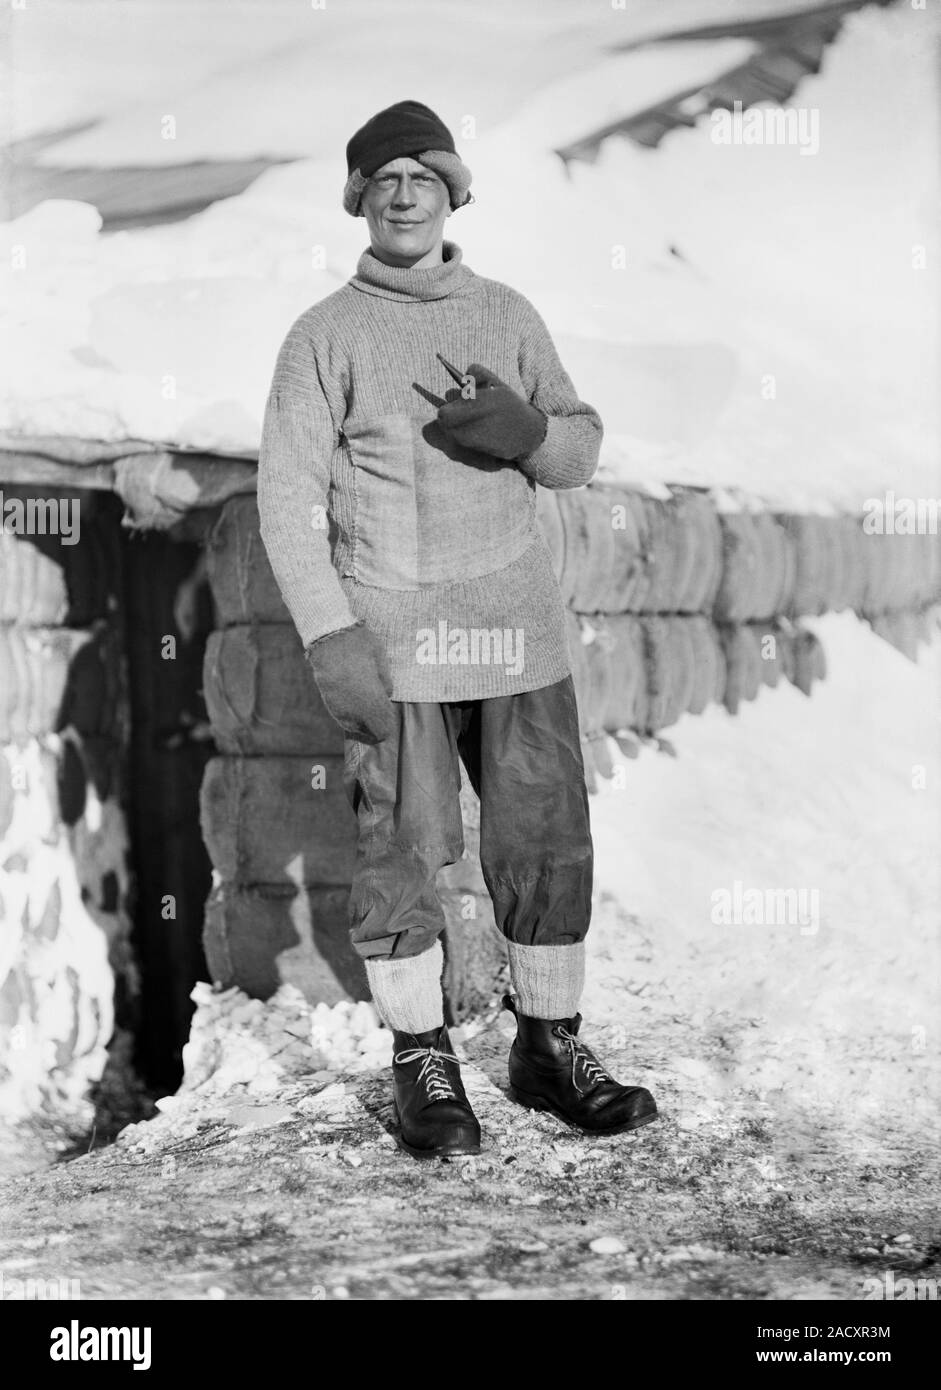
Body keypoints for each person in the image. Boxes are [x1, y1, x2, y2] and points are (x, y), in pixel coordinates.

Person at [257, 99, 658, 1158]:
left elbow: (576, 450)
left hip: (515, 632)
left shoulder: (509, 314)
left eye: (420, 178)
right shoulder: (322, 337)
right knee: (401, 848)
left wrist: (527, 432)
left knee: (543, 835)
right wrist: (328, 634)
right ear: (358, 199)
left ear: (450, 194)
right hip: (395, 642)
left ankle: (548, 1044)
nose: (401, 194)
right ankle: (421, 1060)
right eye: (381, 179)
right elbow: (284, 498)